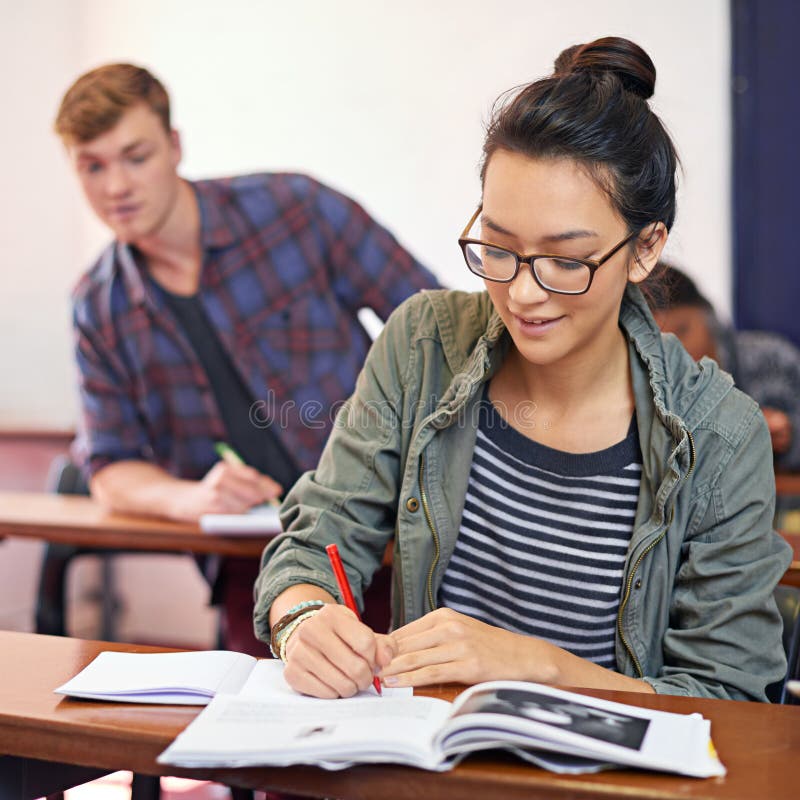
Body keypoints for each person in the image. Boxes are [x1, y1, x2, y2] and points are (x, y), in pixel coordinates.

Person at [255, 36, 791, 701]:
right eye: (497, 248)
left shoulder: (720, 435)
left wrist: (536, 667)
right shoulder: (422, 344)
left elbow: (729, 699)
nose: (523, 293)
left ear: (646, 249)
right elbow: (317, 540)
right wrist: (303, 618)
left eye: (566, 261)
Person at [54, 63, 440, 655]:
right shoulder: (97, 306)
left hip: (387, 533)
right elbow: (111, 466)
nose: (116, 187)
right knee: (269, 732)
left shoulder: (296, 210)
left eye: (136, 156)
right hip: (254, 567)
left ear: (175, 146)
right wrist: (190, 498)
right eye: (93, 166)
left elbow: (437, 331)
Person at [649, 264, 800, 470]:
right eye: (660, 342)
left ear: (707, 314)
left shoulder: (772, 360)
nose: (676, 348)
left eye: (682, 330)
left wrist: (788, 436)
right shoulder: (647, 387)